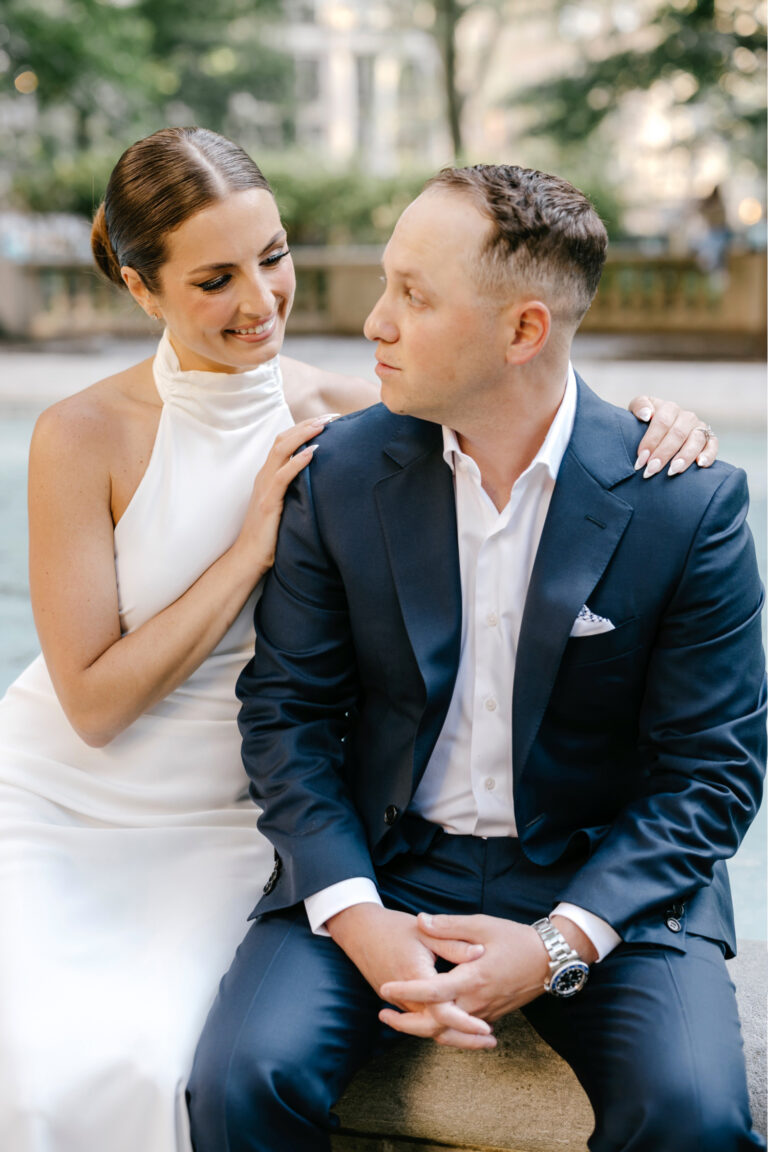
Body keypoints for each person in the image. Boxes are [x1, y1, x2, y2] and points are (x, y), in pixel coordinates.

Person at [0, 126, 717, 1152]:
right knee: (35, 1070)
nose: (261, 302)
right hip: (69, 797)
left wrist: (657, 423)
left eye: (275, 256)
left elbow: (518, 392)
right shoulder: (80, 435)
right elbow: (94, 704)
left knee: (155, 1061)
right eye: (214, 278)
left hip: (228, 819)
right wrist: (250, 549)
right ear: (138, 286)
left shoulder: (343, 413)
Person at [188, 164, 766, 1152]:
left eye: (414, 295)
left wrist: (555, 945)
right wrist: (361, 919)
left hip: (604, 881)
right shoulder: (338, 476)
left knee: (696, 1116)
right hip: (385, 863)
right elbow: (287, 718)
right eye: (387, 283)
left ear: (524, 331)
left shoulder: (688, 502)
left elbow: (711, 772)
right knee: (245, 1079)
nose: (375, 321)